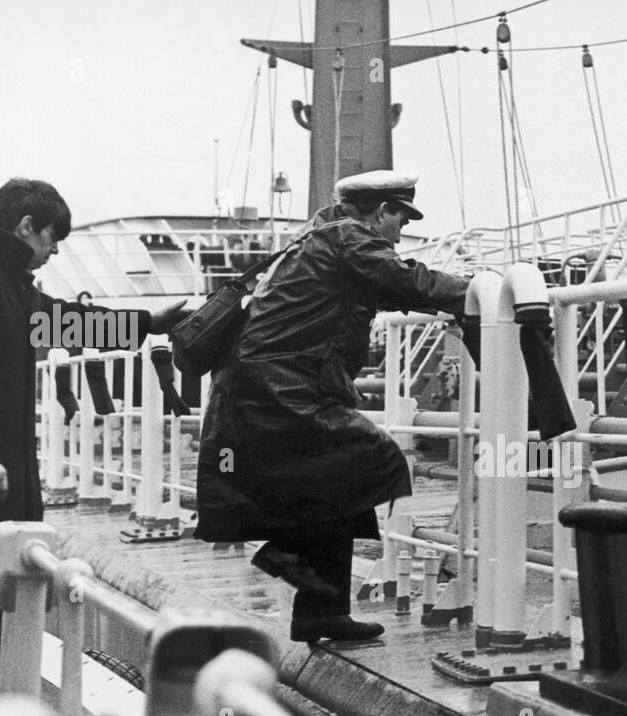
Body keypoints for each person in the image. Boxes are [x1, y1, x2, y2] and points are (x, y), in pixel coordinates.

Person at [0, 178, 189, 700]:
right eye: (50, 238)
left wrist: (147, 324)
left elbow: (68, 324)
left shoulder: (7, 283)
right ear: (26, 228)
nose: (55, 249)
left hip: (3, 476)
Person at [195, 171, 470, 643]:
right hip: (278, 387)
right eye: (401, 219)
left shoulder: (319, 238)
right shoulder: (349, 239)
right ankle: (285, 552)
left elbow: (386, 289)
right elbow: (408, 283)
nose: (401, 231)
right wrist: (483, 289)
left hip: (270, 385)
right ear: (383, 210)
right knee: (375, 459)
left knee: (331, 490)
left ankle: (321, 612)